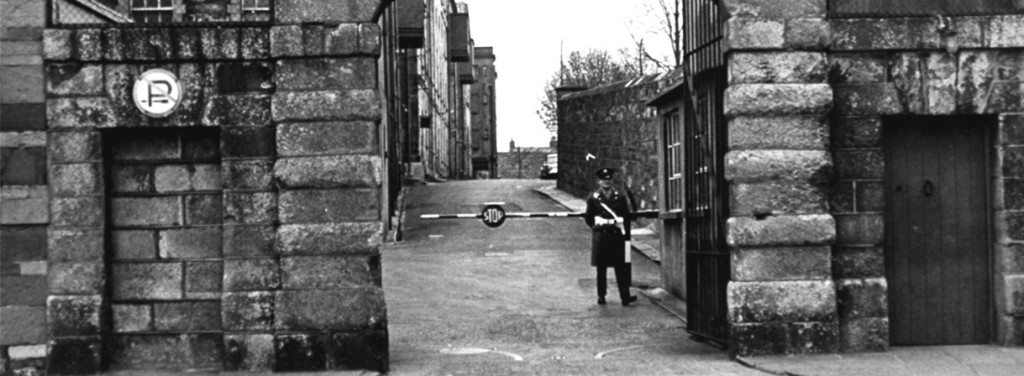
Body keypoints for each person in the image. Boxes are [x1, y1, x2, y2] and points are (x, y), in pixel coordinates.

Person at [584, 168, 637, 306]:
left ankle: (625, 296)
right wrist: (599, 227)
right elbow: (589, 218)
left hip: (616, 236)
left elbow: (626, 216)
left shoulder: (619, 197)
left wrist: (624, 233)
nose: (606, 183)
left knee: (621, 267)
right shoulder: (593, 198)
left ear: (611, 181)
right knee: (601, 269)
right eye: (603, 180)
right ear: (599, 181)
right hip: (601, 236)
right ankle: (601, 295)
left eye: (608, 180)